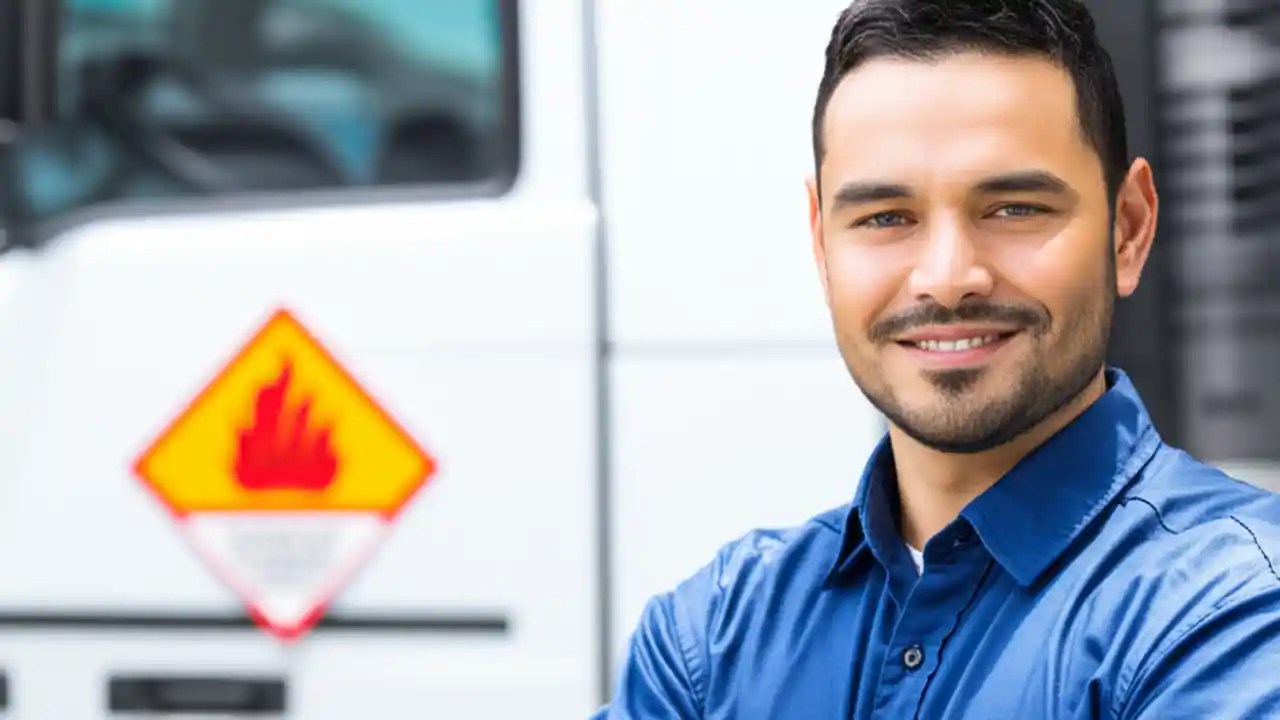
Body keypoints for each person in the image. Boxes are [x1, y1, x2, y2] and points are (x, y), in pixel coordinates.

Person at [593, 1, 1280, 718]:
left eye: (1014, 207)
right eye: (886, 218)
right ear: (821, 246)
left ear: (1128, 229)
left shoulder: (1233, 613)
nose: (948, 277)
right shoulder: (714, 636)